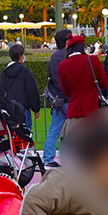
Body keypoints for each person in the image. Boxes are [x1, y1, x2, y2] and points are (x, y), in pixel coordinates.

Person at [56, 34, 108, 127]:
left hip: (74, 113)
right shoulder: (93, 60)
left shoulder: (62, 65)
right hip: (93, 110)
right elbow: (104, 83)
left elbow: (66, 92)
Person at [0, 42, 40, 142]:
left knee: (12, 135)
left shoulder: (5, 72)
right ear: (21, 56)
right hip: (23, 107)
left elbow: (2, 90)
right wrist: (36, 108)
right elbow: (31, 90)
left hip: (9, 108)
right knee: (27, 134)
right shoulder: (25, 71)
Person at [42, 31, 70, 166]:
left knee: (55, 129)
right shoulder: (66, 55)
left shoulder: (55, 56)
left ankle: (48, 158)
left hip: (58, 98)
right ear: (66, 42)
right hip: (67, 98)